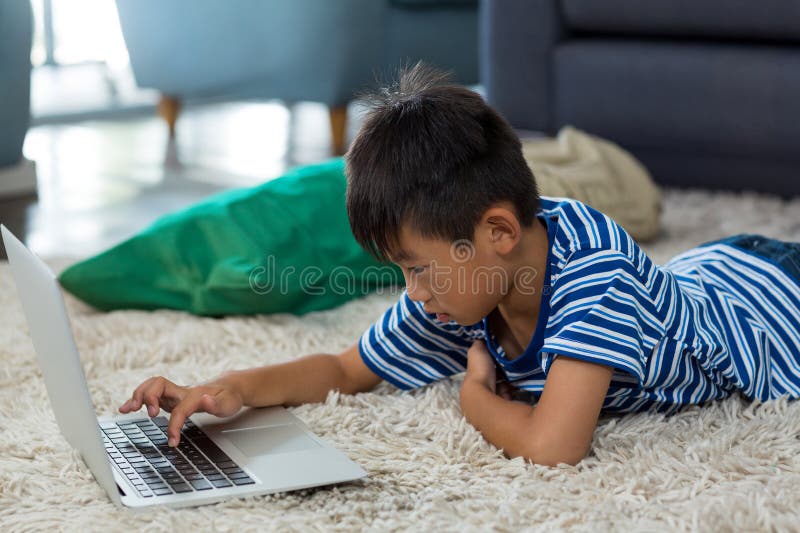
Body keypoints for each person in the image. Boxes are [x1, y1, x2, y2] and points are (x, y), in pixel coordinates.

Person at [119, 63, 800, 467]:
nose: (413, 295)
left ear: (498, 231)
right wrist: (227, 387)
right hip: (711, 269)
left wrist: (473, 397)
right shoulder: (465, 287)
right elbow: (345, 369)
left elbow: (555, 447)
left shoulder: (596, 274)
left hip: (769, 296)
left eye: (418, 269)